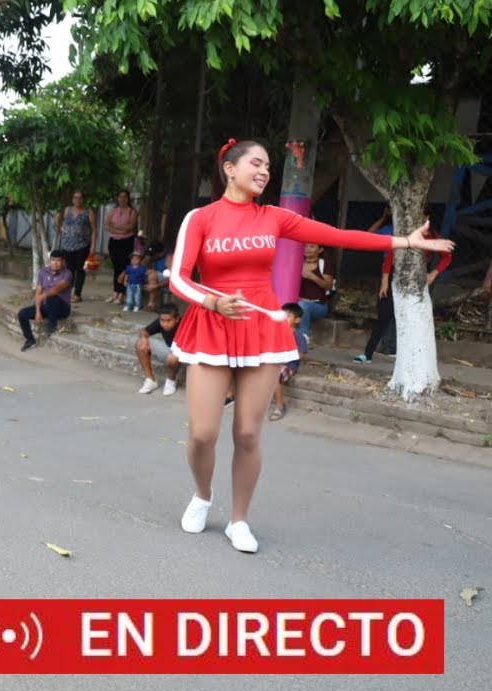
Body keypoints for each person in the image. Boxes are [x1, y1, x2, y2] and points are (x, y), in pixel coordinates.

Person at [168, 138, 452, 554]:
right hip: (212, 324)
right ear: (229, 168)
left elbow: (338, 235)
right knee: (202, 433)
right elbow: (179, 277)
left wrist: (405, 242)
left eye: (268, 166)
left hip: (262, 329)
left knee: (247, 433)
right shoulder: (201, 218)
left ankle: (239, 520)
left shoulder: (274, 217)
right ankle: (202, 494)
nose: (264, 171)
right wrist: (212, 301)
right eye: (256, 163)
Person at [354, 208, 448, 363]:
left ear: (427, 217)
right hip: (396, 276)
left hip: (417, 279)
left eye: (419, 215)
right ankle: (368, 354)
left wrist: (433, 273)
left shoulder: (432, 236)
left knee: (413, 318)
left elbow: (447, 257)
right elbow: (391, 255)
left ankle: (411, 357)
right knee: (384, 314)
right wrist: (385, 280)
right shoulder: (405, 233)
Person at [16, 249, 72, 351]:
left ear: (63, 262)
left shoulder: (67, 274)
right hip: (46, 306)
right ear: (49, 261)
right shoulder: (43, 273)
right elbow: (38, 294)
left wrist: (44, 296)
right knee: (22, 314)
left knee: (51, 297)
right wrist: (38, 311)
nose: (55, 263)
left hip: (62, 308)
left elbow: (57, 289)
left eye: (58, 260)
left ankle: (52, 325)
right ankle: (30, 340)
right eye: (53, 260)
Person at [54, 190, 95, 302]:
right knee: (69, 269)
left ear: (83, 199)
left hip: (82, 244)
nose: (78, 200)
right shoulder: (67, 210)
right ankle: (68, 292)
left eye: (80, 198)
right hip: (67, 245)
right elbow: (57, 219)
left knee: (80, 269)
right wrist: (62, 228)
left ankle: (77, 294)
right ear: (72, 199)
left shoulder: (88, 212)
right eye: (75, 198)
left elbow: (94, 230)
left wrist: (93, 246)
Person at [269, 303, 306, 421]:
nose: (284, 319)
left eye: (288, 316)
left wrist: (285, 357)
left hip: (289, 366)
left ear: (297, 320)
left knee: (274, 375)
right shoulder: (276, 333)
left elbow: (302, 355)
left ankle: (280, 406)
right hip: (275, 363)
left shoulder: (298, 335)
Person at [136, 304, 182, 396]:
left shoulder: (185, 324)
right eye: (162, 320)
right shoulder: (160, 322)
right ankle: (150, 380)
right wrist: (144, 338)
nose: (165, 323)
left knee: (173, 357)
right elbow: (144, 331)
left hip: (184, 355)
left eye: (169, 320)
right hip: (169, 350)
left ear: (177, 319)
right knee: (140, 344)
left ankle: (171, 380)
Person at [105, 189, 139, 303]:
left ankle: (122, 294)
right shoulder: (113, 211)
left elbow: (130, 227)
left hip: (127, 241)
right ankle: (115, 292)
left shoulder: (132, 211)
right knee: (116, 267)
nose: (122, 199)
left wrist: (115, 227)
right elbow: (107, 225)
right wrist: (120, 229)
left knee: (124, 267)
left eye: (125, 197)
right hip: (114, 242)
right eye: (120, 196)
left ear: (128, 198)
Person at [296, 243, 335, 338]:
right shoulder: (297, 262)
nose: (307, 249)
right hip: (297, 302)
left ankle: (303, 337)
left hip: (318, 306)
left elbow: (328, 286)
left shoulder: (325, 264)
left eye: (312, 247)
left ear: (320, 250)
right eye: (306, 246)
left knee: (303, 306)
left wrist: (313, 277)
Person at [143, 241, 170, 310]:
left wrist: (156, 286)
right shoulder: (155, 259)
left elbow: (172, 278)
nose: (153, 256)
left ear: (161, 252)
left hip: (168, 281)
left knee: (152, 275)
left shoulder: (169, 258)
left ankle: (151, 304)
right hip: (158, 279)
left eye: (154, 254)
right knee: (151, 274)